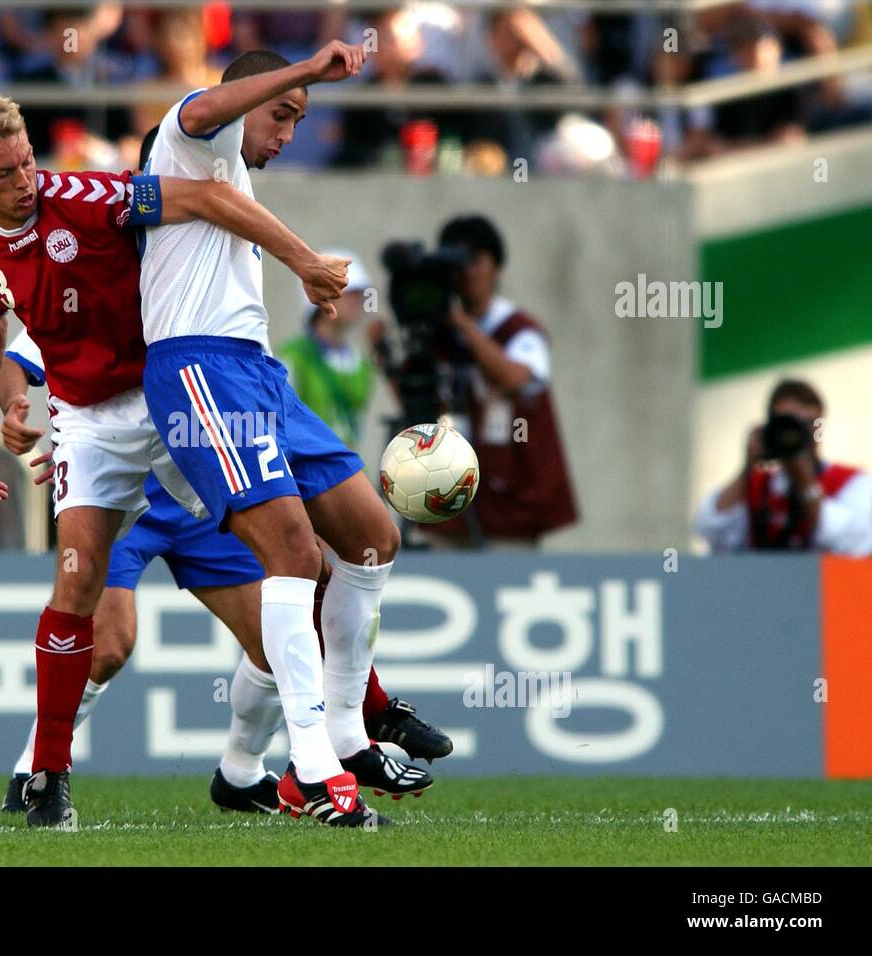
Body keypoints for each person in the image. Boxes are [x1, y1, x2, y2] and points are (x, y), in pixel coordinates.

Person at [0, 91, 349, 828]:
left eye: (28, 161)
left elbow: (204, 195)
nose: (26, 181)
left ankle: (327, 738)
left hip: (173, 406)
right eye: (3, 174)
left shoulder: (90, 198)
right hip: (89, 424)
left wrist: (299, 260)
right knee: (80, 589)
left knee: (295, 558)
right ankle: (50, 778)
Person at [140, 43, 435, 827]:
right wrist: (304, 68)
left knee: (373, 535)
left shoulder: (230, 178)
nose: (288, 133)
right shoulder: (187, 140)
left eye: (300, 121)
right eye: (281, 114)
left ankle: (344, 730)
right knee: (295, 557)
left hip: (257, 372)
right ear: (246, 100)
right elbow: (205, 105)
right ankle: (310, 764)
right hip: (197, 371)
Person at [0, 329, 450, 816]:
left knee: (274, 637)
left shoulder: (202, 300)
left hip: (203, 491)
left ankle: (241, 772)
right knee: (109, 643)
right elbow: (17, 359)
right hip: (124, 489)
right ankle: (32, 769)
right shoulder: (102, 286)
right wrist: (20, 409)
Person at [377, 214, 577, 548]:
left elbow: (516, 378)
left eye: (476, 260)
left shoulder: (518, 329)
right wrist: (385, 357)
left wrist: (462, 325)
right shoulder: (438, 335)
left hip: (508, 512)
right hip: (446, 501)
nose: (467, 272)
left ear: (496, 267)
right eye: (457, 263)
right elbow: (417, 408)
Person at [695, 379, 872, 556]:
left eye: (808, 423)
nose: (796, 433)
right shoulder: (756, 485)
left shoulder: (852, 482)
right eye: (787, 423)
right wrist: (748, 468)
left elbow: (856, 544)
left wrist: (805, 481)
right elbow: (709, 529)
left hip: (825, 582)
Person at [278, 252, 376, 450]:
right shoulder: (294, 356)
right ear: (320, 294)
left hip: (347, 472)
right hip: (305, 473)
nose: (357, 301)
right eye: (347, 292)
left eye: (359, 294)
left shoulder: (361, 363)